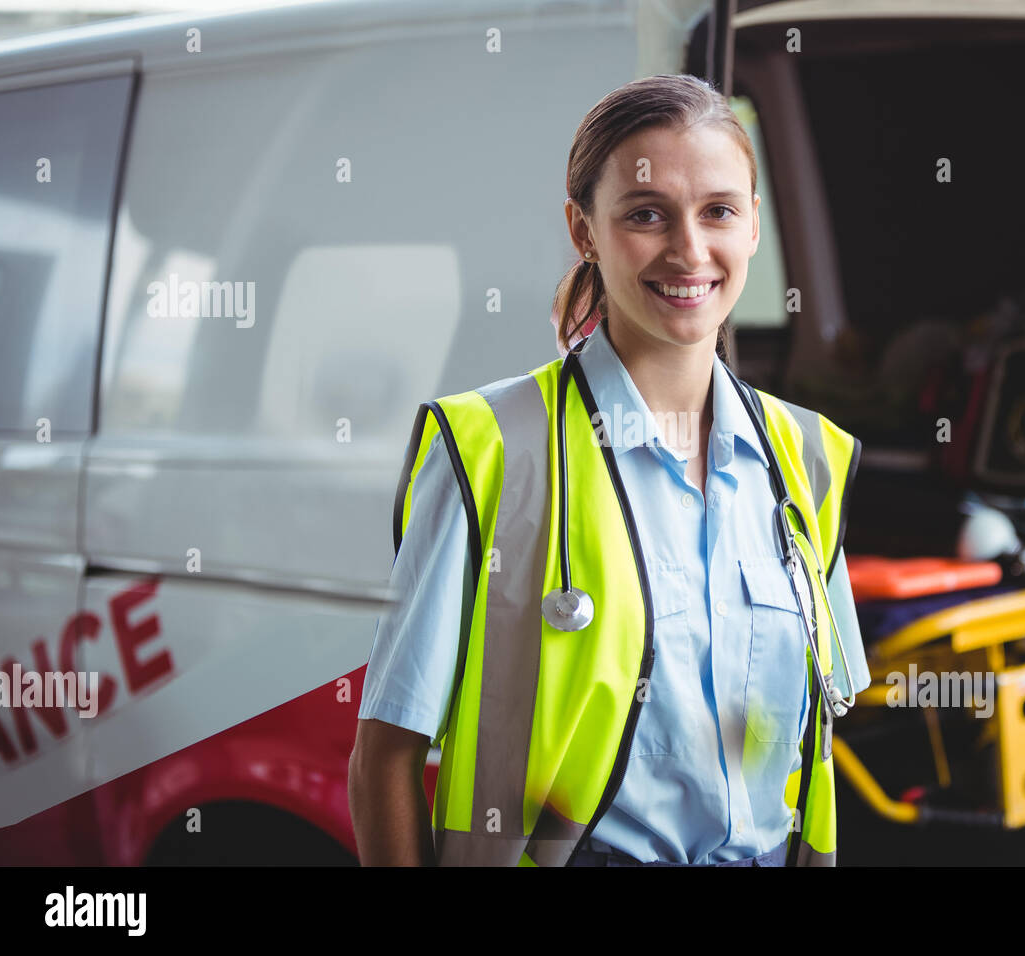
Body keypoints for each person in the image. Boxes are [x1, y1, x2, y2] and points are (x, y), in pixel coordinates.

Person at [348, 73, 870, 867]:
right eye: (646, 214)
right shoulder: (490, 448)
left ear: (755, 225)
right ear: (584, 229)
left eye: (719, 211)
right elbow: (384, 755)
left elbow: (814, 743)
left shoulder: (808, 459)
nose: (690, 251)